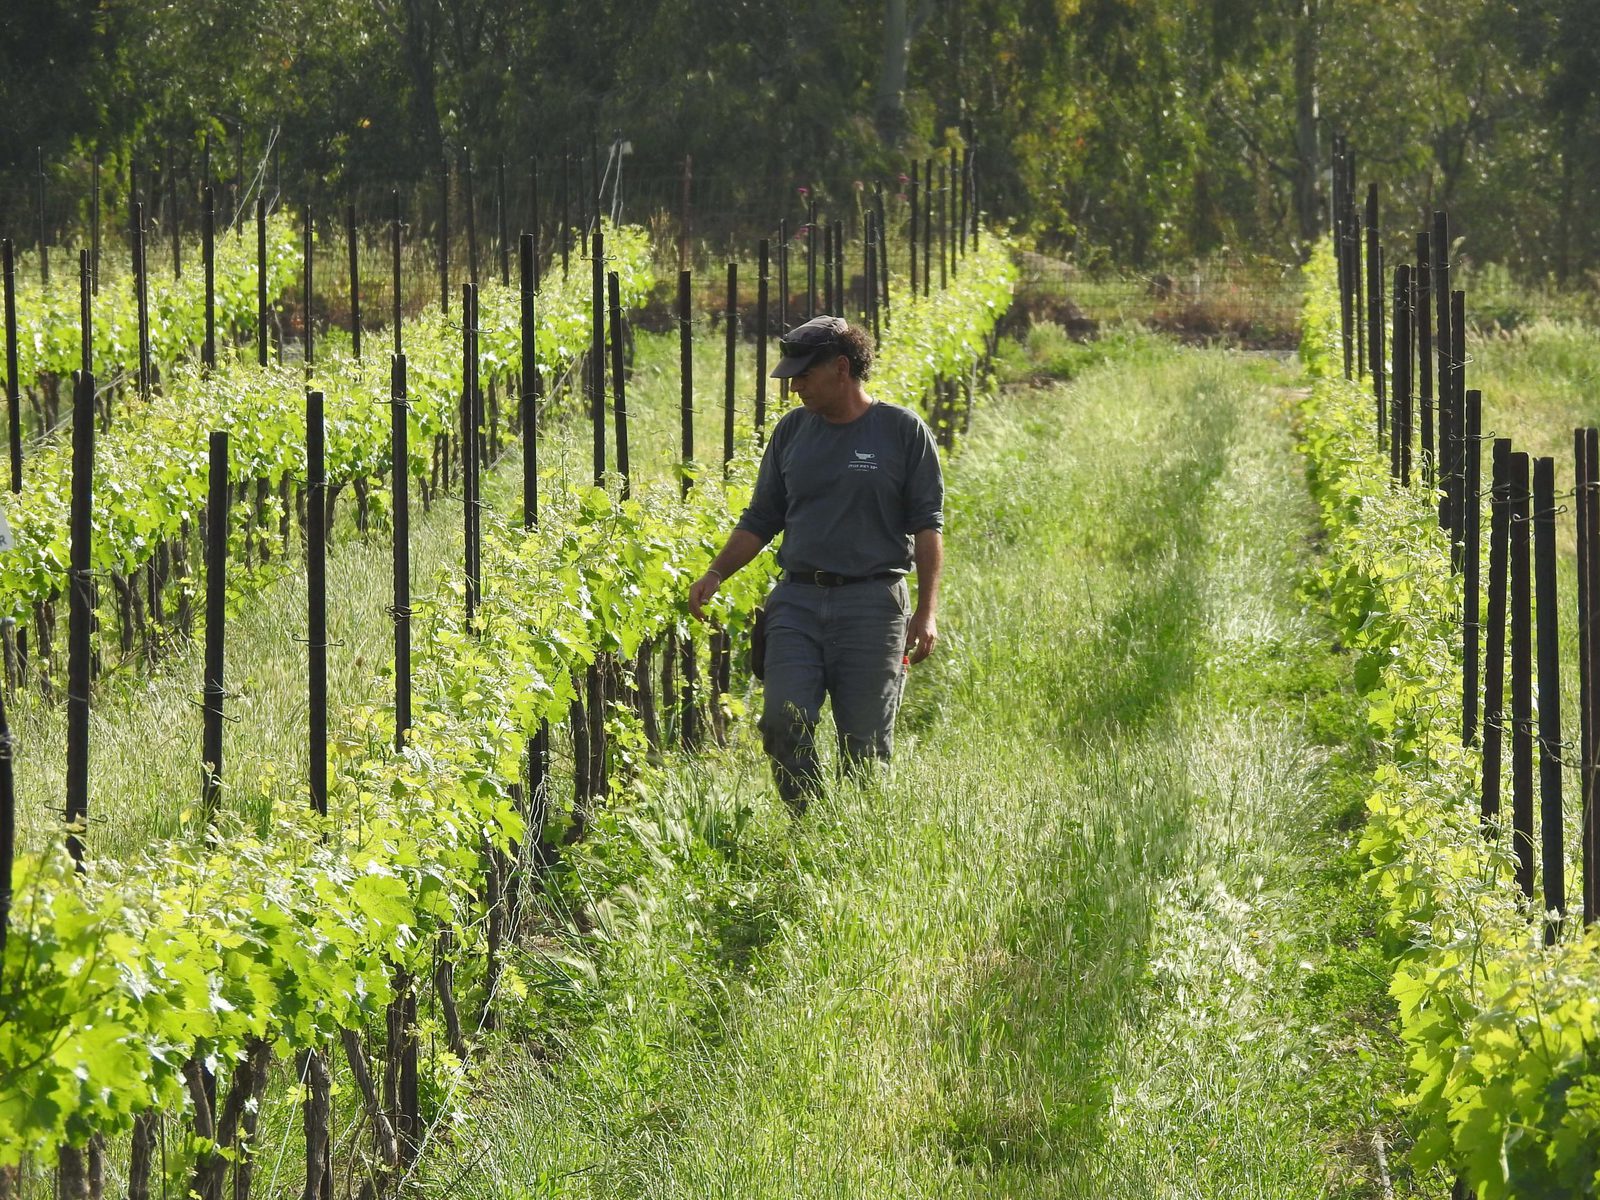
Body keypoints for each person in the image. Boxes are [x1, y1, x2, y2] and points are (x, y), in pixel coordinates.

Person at [687, 315, 944, 813]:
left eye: (804, 375)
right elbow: (763, 516)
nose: (795, 386)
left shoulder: (901, 431)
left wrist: (926, 612)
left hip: (874, 604)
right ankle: (810, 824)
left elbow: (927, 526)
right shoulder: (792, 432)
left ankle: (854, 845)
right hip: (797, 603)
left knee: (865, 747)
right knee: (783, 722)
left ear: (841, 368)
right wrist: (716, 572)